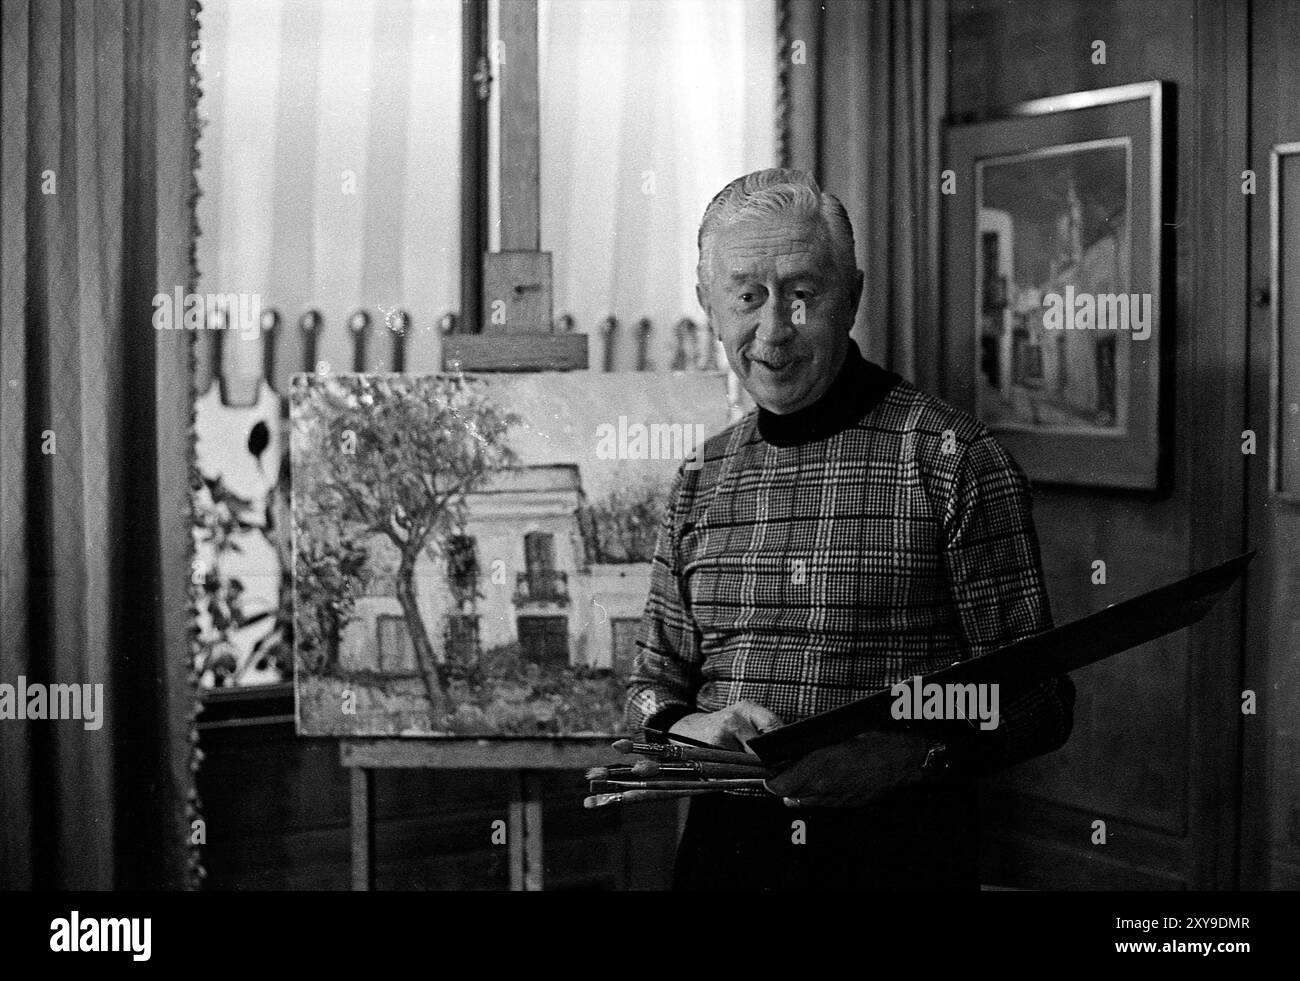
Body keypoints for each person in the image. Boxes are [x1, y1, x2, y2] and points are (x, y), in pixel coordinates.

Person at [625, 168, 1075, 890]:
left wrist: (908, 755)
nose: (774, 330)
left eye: (804, 294)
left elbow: (1037, 702)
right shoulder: (698, 479)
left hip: (896, 862)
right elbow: (648, 686)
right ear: (709, 304)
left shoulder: (955, 461)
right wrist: (688, 729)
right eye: (747, 297)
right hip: (720, 864)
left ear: (852, 296)